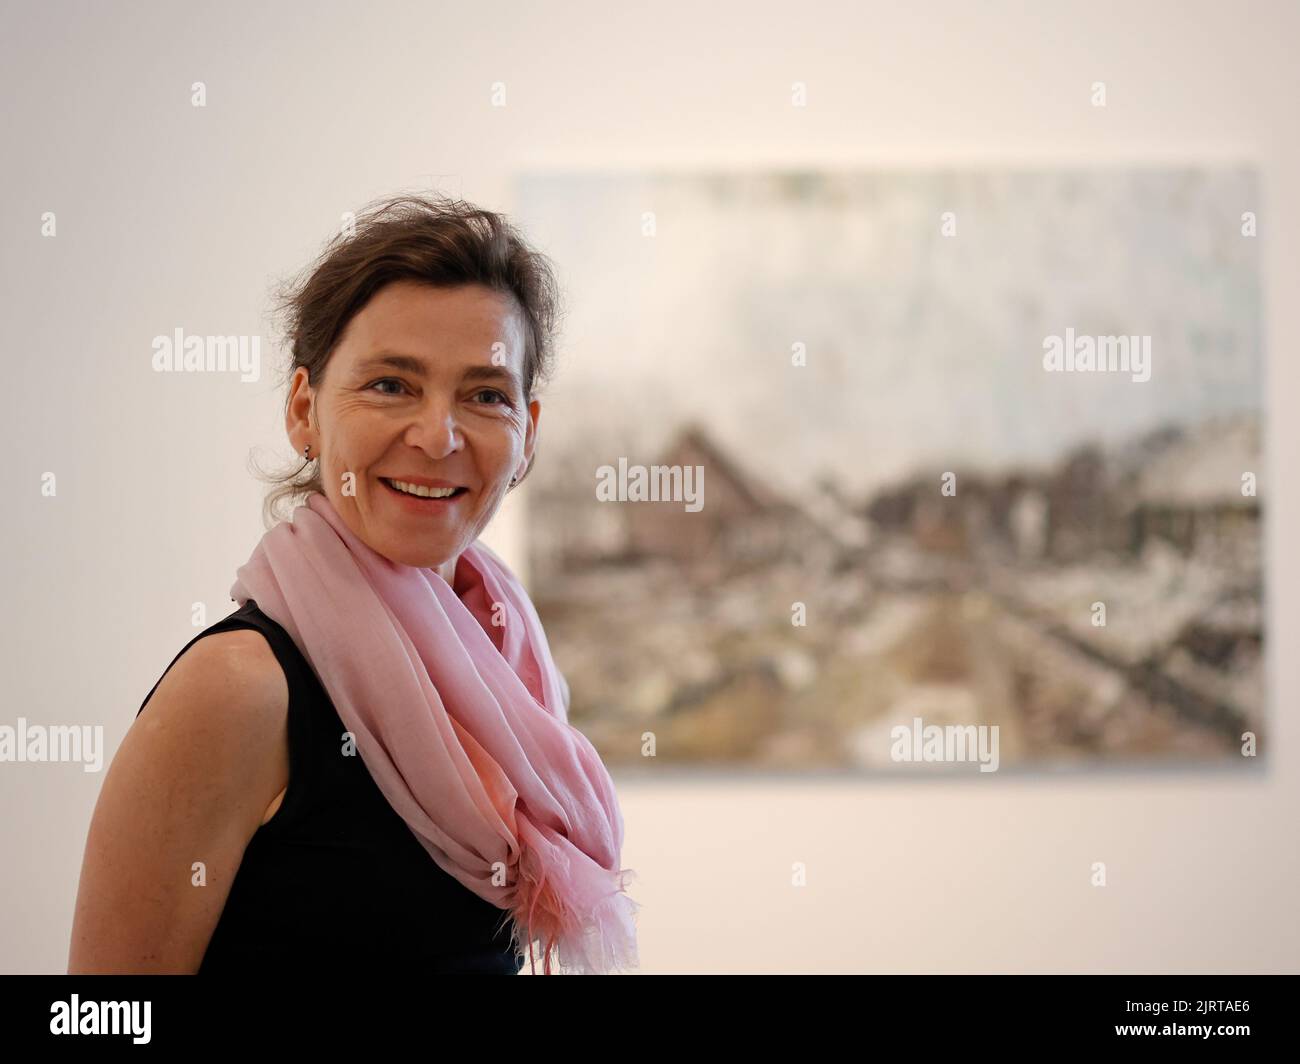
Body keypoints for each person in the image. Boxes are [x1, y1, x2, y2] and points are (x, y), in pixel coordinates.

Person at [67, 194, 640, 975]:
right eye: (391, 385)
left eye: (485, 395)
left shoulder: (514, 670)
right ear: (304, 412)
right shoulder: (240, 690)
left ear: (527, 435)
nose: (437, 436)